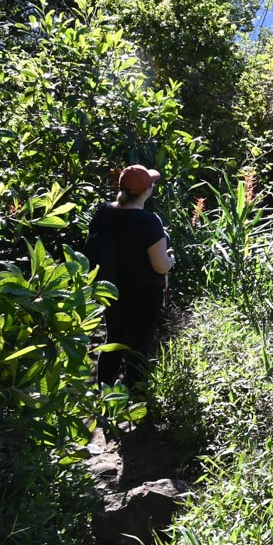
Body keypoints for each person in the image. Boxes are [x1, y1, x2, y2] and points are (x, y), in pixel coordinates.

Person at [88, 164, 176, 388]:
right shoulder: (149, 222)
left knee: (113, 340)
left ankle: (103, 394)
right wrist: (171, 260)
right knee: (139, 346)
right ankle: (136, 400)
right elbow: (160, 265)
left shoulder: (104, 213)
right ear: (146, 190)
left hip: (111, 289)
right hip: (143, 294)